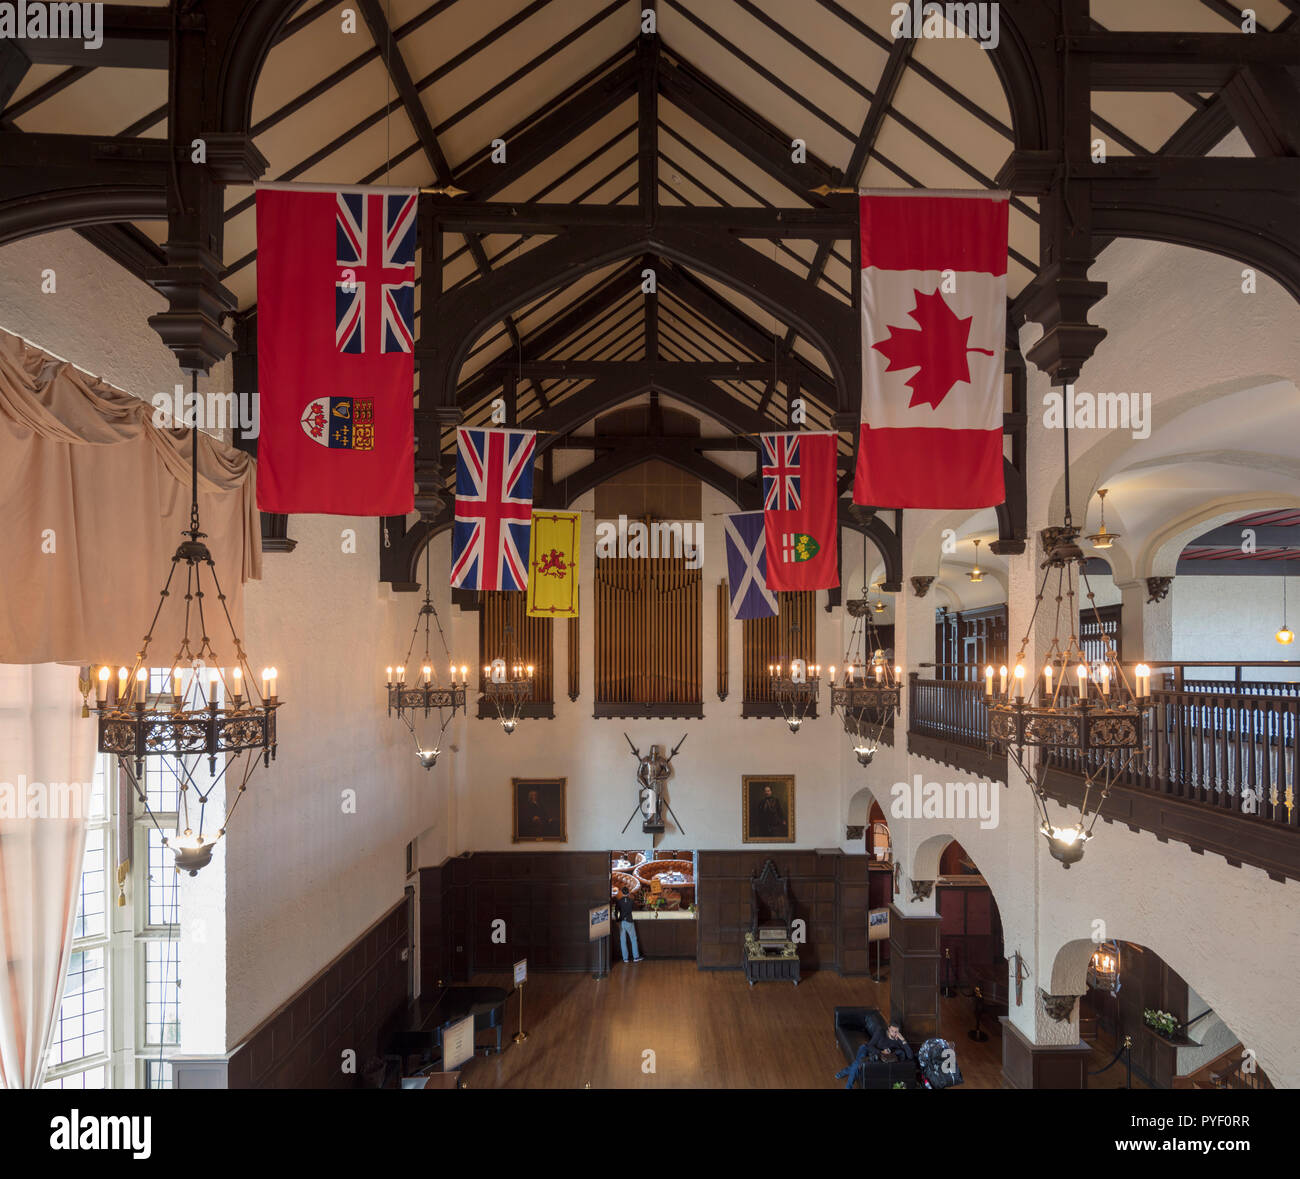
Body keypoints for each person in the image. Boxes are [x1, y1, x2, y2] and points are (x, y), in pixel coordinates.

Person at [615, 887, 643, 964]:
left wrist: (617, 920)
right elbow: (637, 908)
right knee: (633, 939)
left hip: (621, 922)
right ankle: (636, 957)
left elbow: (615, 911)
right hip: (629, 921)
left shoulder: (619, 901)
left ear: (622, 892)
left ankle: (625, 958)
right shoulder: (631, 901)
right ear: (628, 893)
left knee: (623, 941)